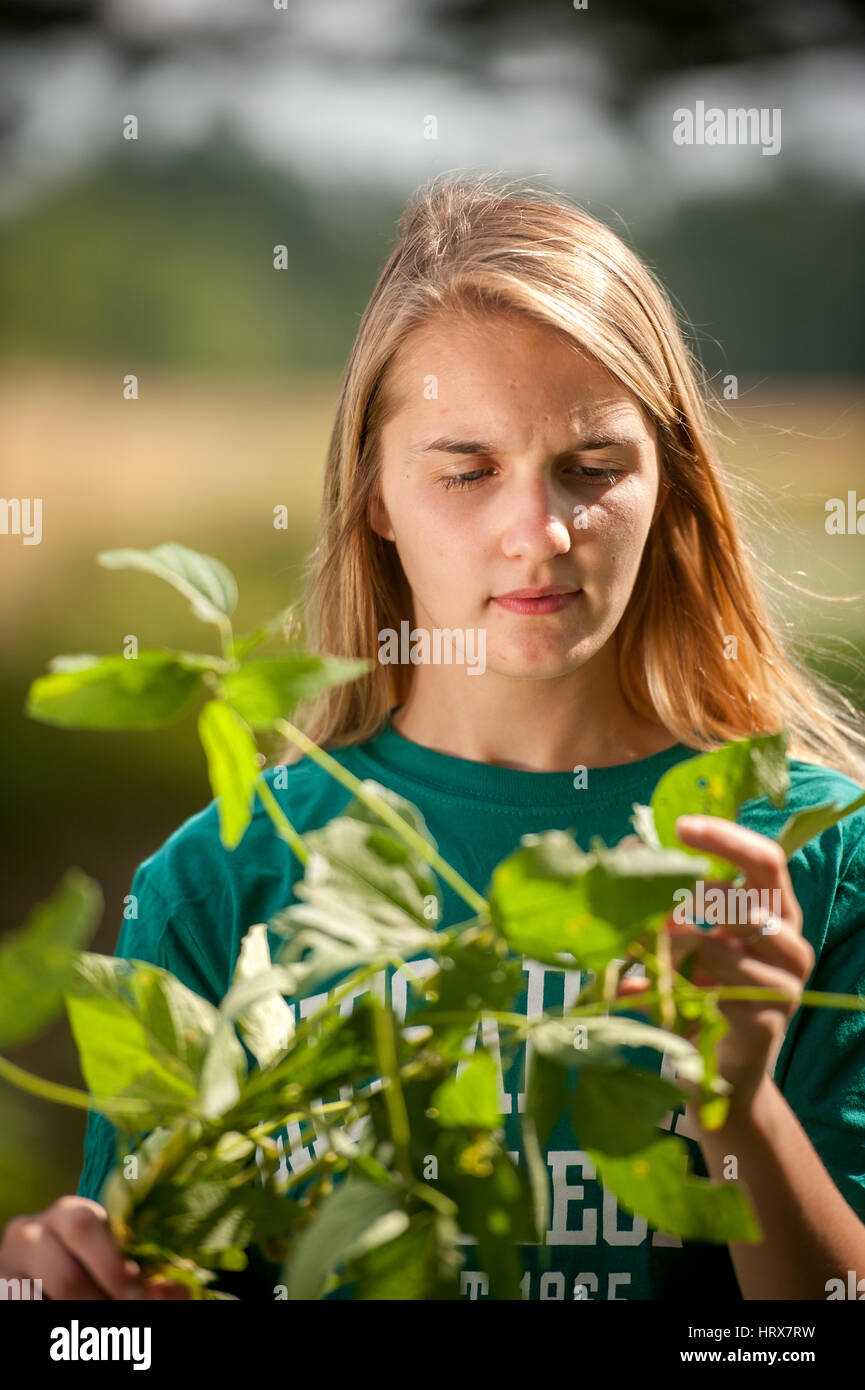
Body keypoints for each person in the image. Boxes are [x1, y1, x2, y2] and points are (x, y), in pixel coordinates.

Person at [3, 172, 865, 1301]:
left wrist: (735, 1102)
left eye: (593, 469)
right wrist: (62, 1305)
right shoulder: (221, 878)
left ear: (671, 486)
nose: (537, 533)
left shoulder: (808, 854)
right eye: (466, 470)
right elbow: (141, 1311)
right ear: (372, 495)